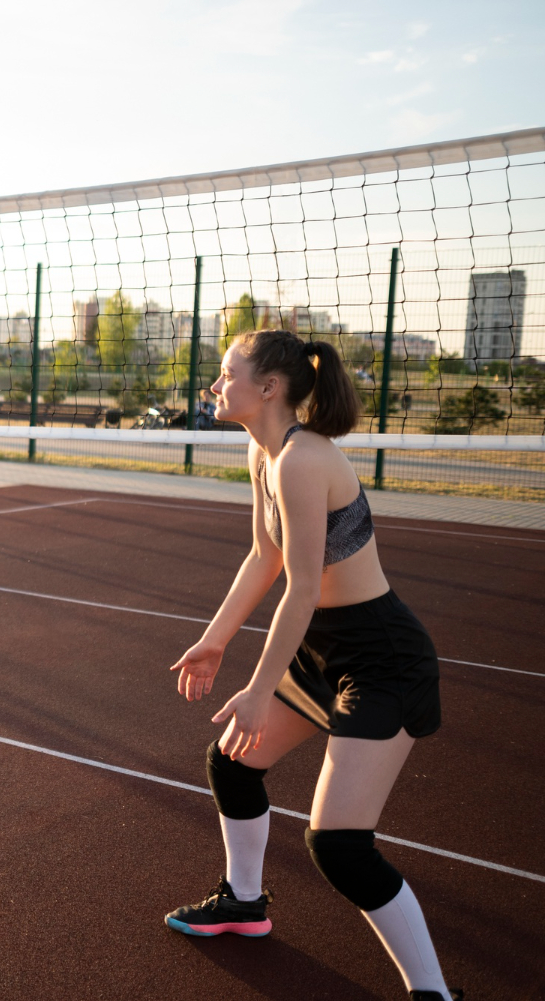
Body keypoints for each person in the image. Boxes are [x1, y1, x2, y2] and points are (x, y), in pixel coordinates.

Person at [164, 329, 458, 1001]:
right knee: (233, 763)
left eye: (225, 373)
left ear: (267, 388)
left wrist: (259, 686)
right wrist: (214, 639)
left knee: (340, 845)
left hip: (381, 658)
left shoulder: (303, 458)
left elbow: (300, 584)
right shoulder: (262, 451)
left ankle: (433, 994)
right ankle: (243, 903)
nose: (213, 384)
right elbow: (264, 557)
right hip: (326, 647)